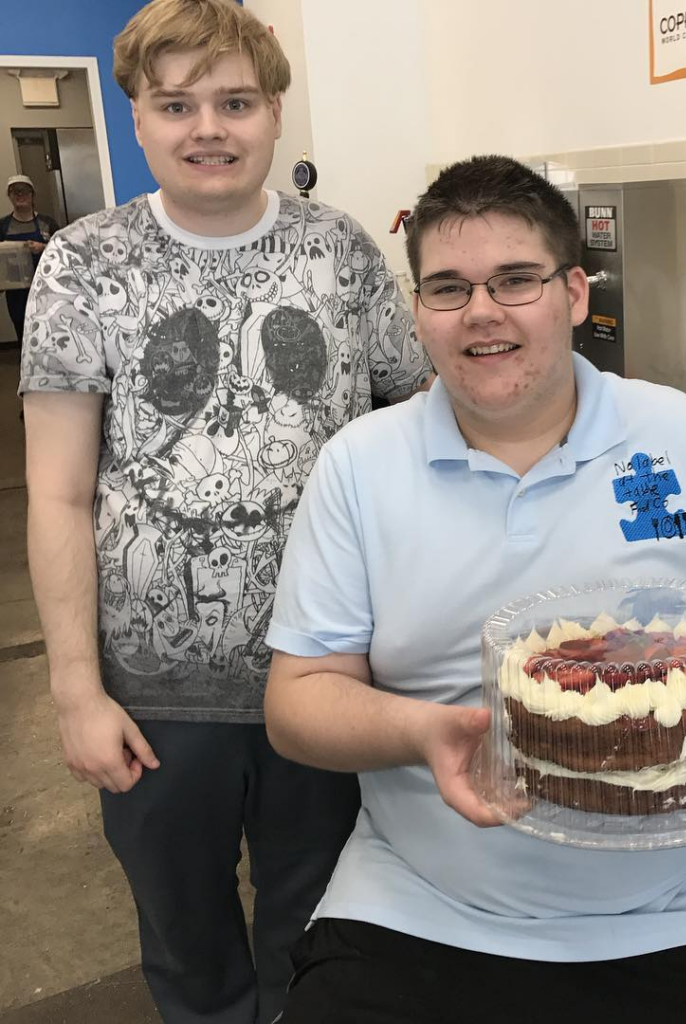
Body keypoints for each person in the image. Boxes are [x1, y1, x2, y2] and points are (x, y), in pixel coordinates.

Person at [263, 155, 686, 1024]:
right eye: (448, 288)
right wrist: (424, 732)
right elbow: (298, 698)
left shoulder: (683, 437)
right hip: (424, 904)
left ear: (574, 293)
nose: (482, 312)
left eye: (516, 280)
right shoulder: (359, 466)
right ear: (418, 311)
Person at [20, 2, 431, 1021]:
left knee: (325, 928)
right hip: (156, 694)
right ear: (138, 118)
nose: (208, 127)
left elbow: (419, 434)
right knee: (186, 940)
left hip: (330, 671)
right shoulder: (83, 264)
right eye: (177, 105)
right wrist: (75, 691)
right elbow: (58, 493)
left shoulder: (340, 255)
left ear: (275, 112)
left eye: (236, 102)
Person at [1, 175, 58, 347]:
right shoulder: (2, 226)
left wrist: (44, 247)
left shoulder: (47, 223)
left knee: (49, 332)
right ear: (9, 196)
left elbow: (64, 250)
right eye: (15, 191)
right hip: (16, 293)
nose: (20, 195)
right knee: (23, 333)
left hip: (46, 289)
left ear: (32, 195)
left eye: (24, 191)